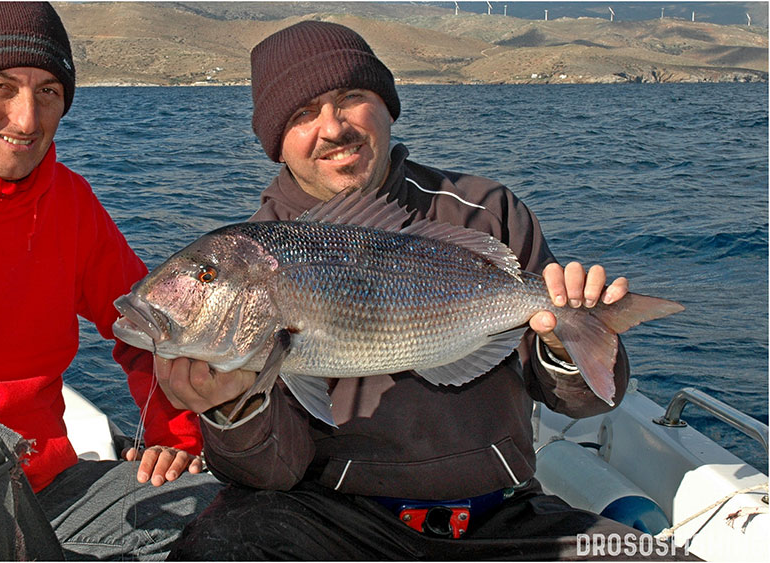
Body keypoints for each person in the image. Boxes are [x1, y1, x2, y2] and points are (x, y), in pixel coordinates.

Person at [159, 21, 676, 560]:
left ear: (387, 106)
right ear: (276, 143)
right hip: (336, 522)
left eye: (350, 98)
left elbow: (589, 402)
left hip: (505, 518)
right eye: (301, 114)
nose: (332, 128)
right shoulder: (250, 257)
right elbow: (271, 474)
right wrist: (233, 410)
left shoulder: (486, 210)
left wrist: (566, 347)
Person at [0, 2, 220, 559]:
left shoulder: (69, 202)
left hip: (41, 488)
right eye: (0, 87)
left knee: (233, 518)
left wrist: (176, 434)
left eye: (48, 92)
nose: (27, 119)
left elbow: (149, 329)